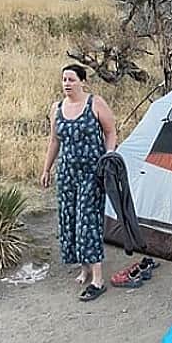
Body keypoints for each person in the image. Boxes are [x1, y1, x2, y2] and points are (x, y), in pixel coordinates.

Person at [40, 64, 117, 302]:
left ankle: (98, 278)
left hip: (91, 173)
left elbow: (111, 131)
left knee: (88, 221)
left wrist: (108, 157)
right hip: (67, 173)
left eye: (72, 79)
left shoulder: (95, 103)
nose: (67, 83)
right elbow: (54, 140)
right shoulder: (57, 108)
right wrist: (46, 168)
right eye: (64, 79)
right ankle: (83, 268)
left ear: (83, 81)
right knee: (70, 220)